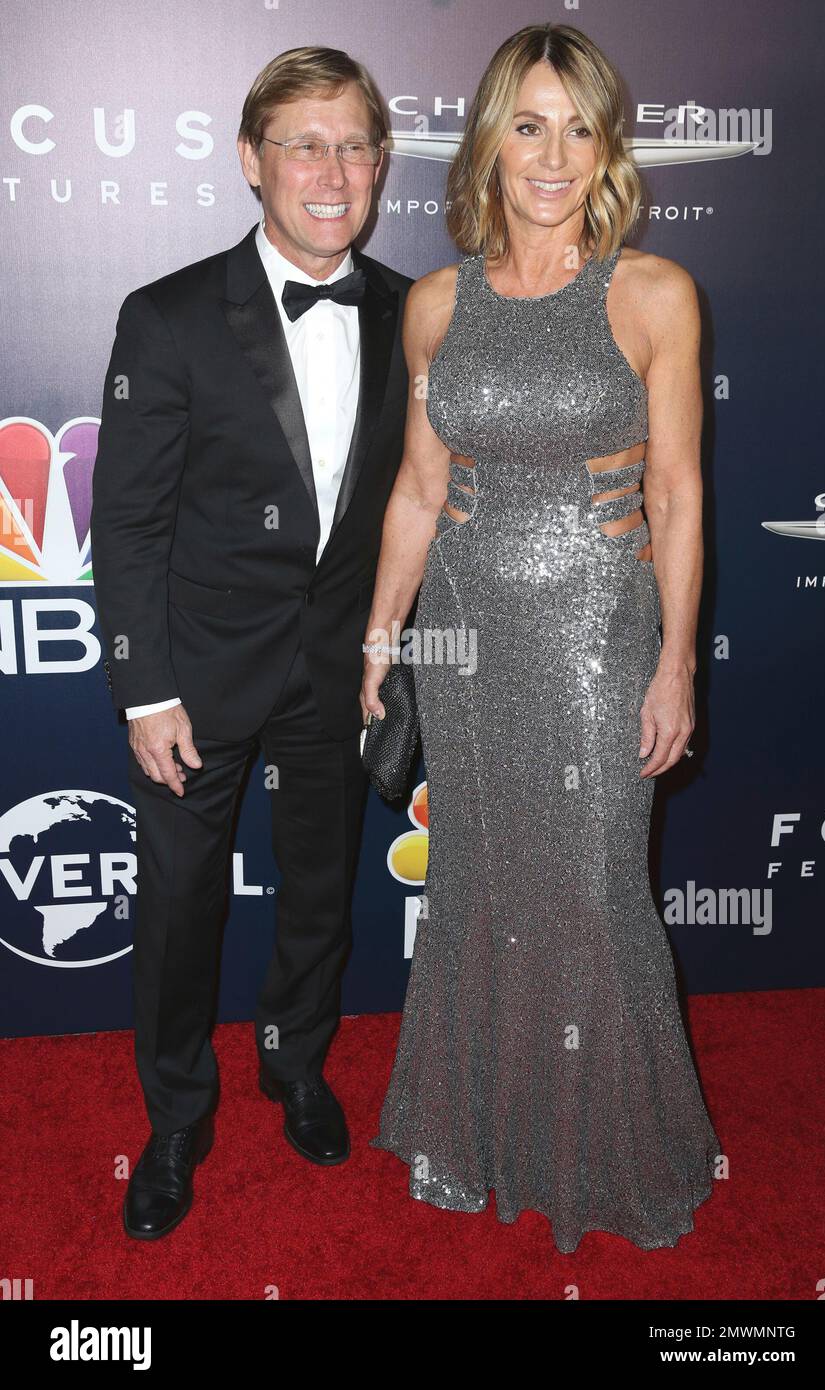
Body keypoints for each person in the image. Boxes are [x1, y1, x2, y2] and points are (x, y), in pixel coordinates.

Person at [363, 22, 722, 1255]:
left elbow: (675, 492)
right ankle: (483, 1136)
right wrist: (379, 637)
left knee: (590, 890)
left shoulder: (653, 293)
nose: (553, 153)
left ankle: (610, 1153)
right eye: (528, 123)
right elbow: (417, 486)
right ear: (488, 142)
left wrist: (673, 657)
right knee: (478, 891)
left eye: (578, 126)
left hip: (593, 637)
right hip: (462, 644)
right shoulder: (433, 304)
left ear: (607, 145)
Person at [91, 46, 412, 1240]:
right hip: (197, 678)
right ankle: (175, 1118)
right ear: (250, 162)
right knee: (180, 907)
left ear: (379, 166)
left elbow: (413, 503)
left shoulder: (406, 311)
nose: (331, 172)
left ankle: (295, 1063)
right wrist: (144, 692)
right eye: (303, 143)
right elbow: (124, 521)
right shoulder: (169, 315)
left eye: (353, 147)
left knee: (321, 894)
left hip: (339, 673)